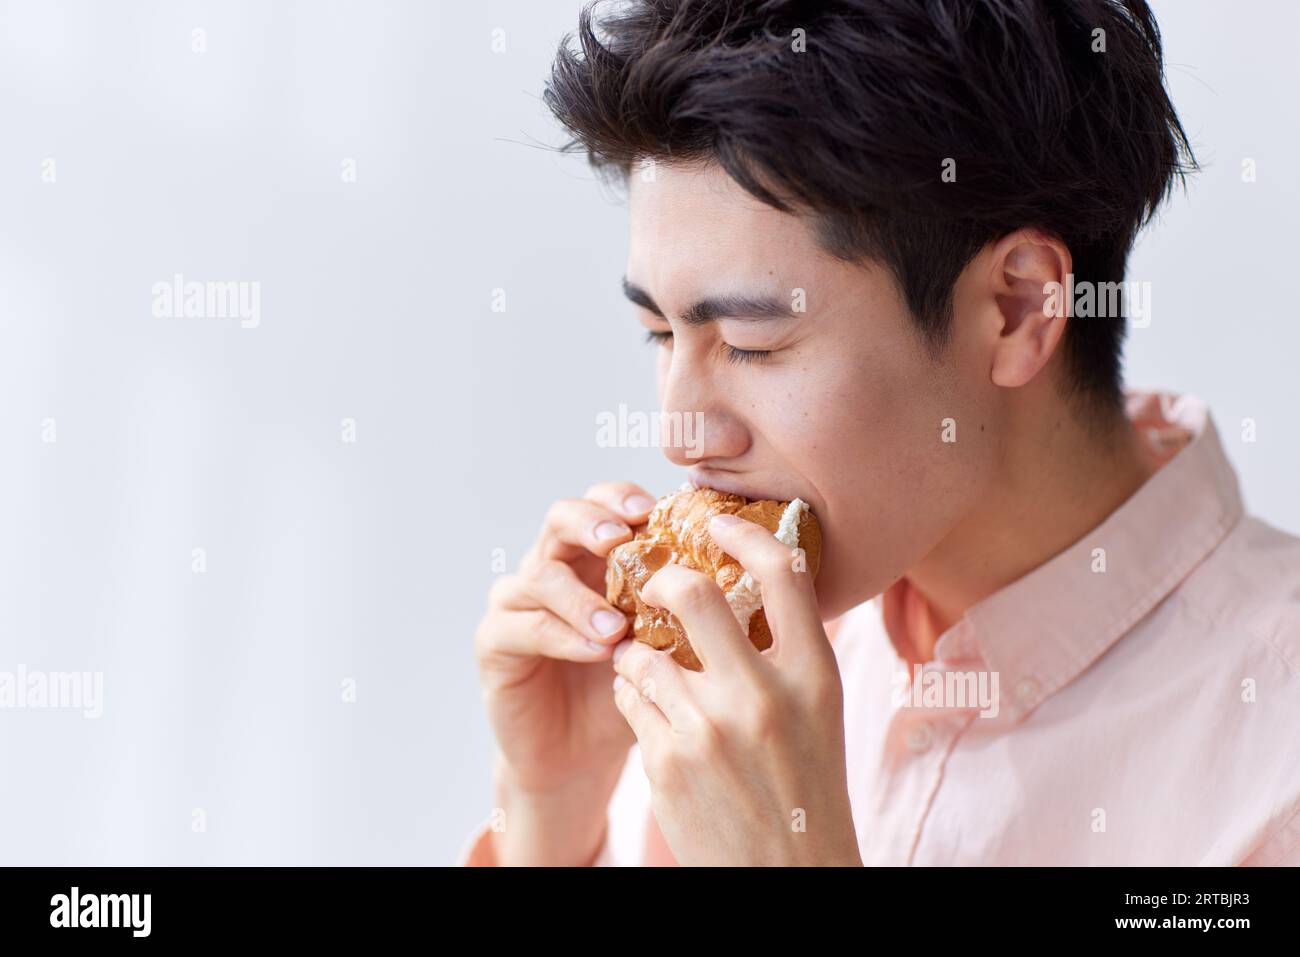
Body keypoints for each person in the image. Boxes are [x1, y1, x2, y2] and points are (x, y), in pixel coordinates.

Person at [460, 0, 1300, 865]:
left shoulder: (1273, 771)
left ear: (1017, 309)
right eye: (662, 334)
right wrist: (552, 810)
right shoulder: (728, 677)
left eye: (752, 343)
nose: (678, 433)